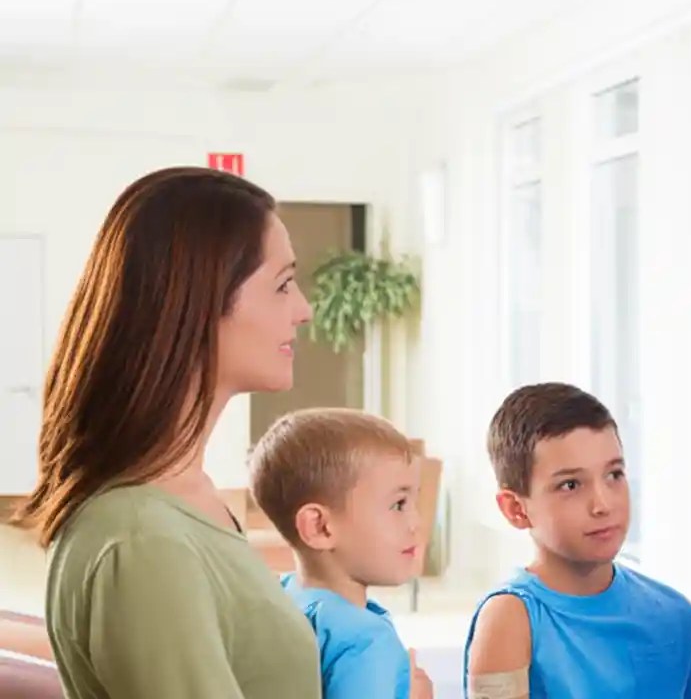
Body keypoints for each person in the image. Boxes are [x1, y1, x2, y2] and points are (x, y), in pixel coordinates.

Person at [10, 167, 322, 698]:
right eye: (283, 284)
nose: (304, 310)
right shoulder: (142, 541)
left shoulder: (187, 499)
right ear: (202, 302)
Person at [465, 383, 691, 699]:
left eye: (614, 475)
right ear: (516, 509)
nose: (603, 504)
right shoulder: (509, 619)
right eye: (571, 485)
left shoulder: (676, 614)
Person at [248, 408, 433, 699]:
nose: (416, 523)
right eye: (398, 504)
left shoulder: (279, 599)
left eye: (414, 501)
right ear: (320, 527)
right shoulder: (364, 641)